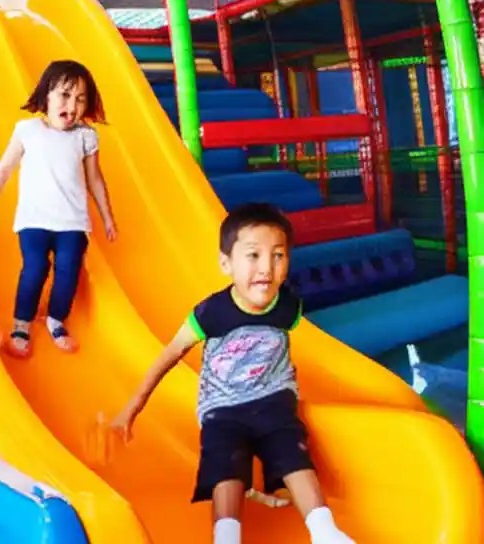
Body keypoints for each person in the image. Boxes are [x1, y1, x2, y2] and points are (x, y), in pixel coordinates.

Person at [108, 203, 356, 544]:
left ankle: (325, 532)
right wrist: (131, 409)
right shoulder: (211, 313)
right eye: (253, 255)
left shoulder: (289, 306)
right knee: (226, 462)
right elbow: (170, 354)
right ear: (226, 264)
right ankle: (226, 536)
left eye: (279, 255)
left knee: (291, 451)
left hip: (273, 399)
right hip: (222, 406)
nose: (267, 268)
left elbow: (288, 347)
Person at [0, 60, 117, 357]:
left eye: (80, 99)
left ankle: (54, 318)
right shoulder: (28, 130)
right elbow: (3, 170)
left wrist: (107, 217)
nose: (72, 106)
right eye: (64, 96)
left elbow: (95, 179)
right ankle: (21, 323)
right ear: (46, 96)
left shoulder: (85, 136)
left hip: (73, 222)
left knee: (69, 272)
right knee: (36, 268)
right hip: (34, 219)